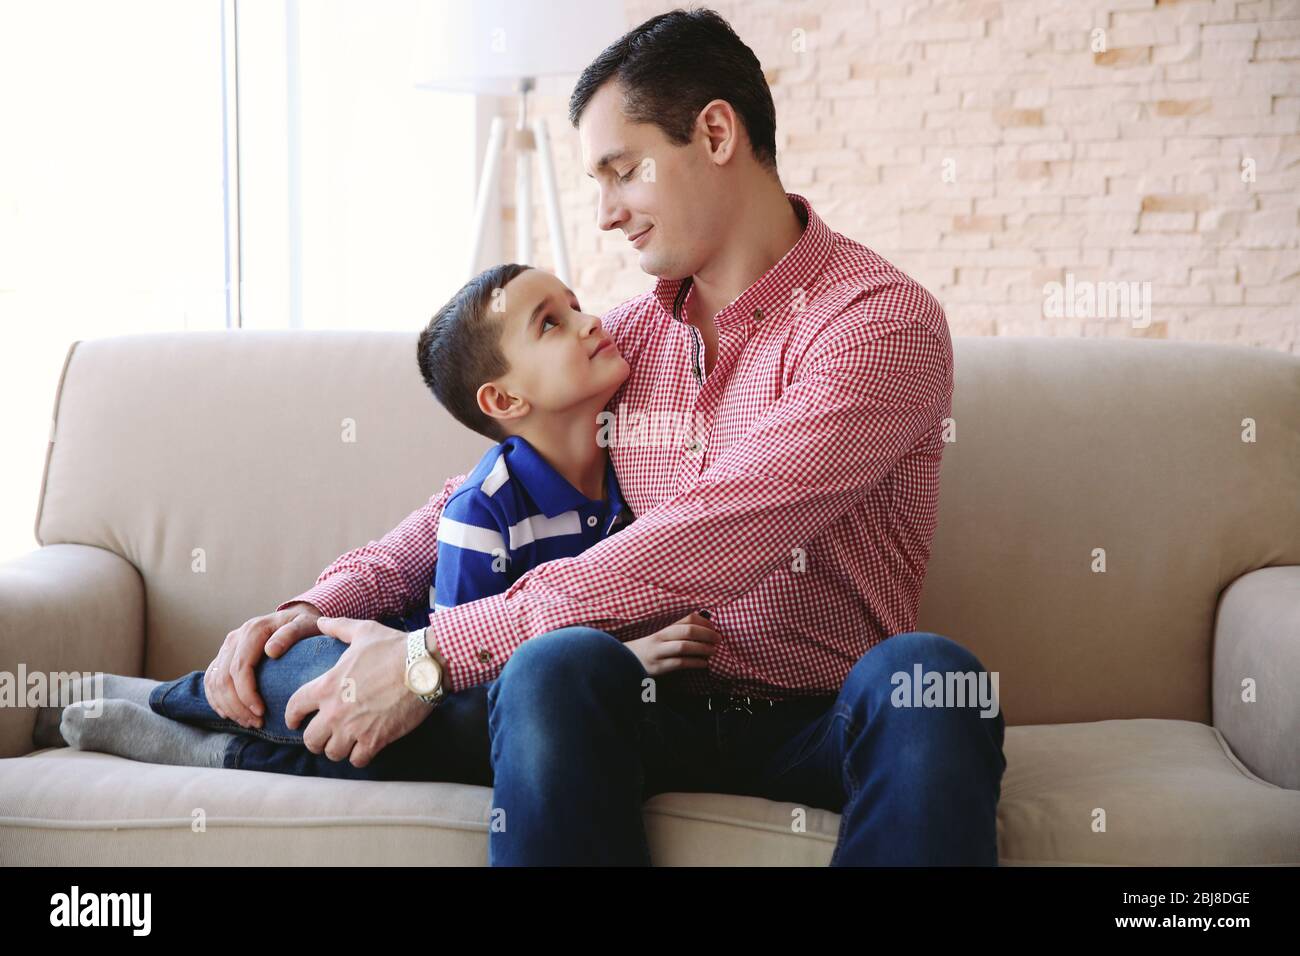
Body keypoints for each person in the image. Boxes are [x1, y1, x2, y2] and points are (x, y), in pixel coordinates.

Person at [130, 8, 1005, 866]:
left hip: (818, 718)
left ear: (714, 133)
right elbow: (485, 486)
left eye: (621, 172)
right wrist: (321, 602)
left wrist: (432, 658)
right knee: (548, 668)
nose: (607, 214)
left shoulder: (876, 326)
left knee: (931, 680)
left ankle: (235, 719)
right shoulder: (625, 342)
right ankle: (199, 701)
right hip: (638, 694)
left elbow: (715, 533)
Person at [32, 264, 723, 784]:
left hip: (481, 684)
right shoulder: (484, 511)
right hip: (448, 681)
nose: (591, 320)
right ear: (505, 397)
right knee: (363, 700)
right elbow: (465, 684)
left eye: (574, 306)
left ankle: (201, 728)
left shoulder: (631, 472)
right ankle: (189, 717)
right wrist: (621, 662)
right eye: (552, 322)